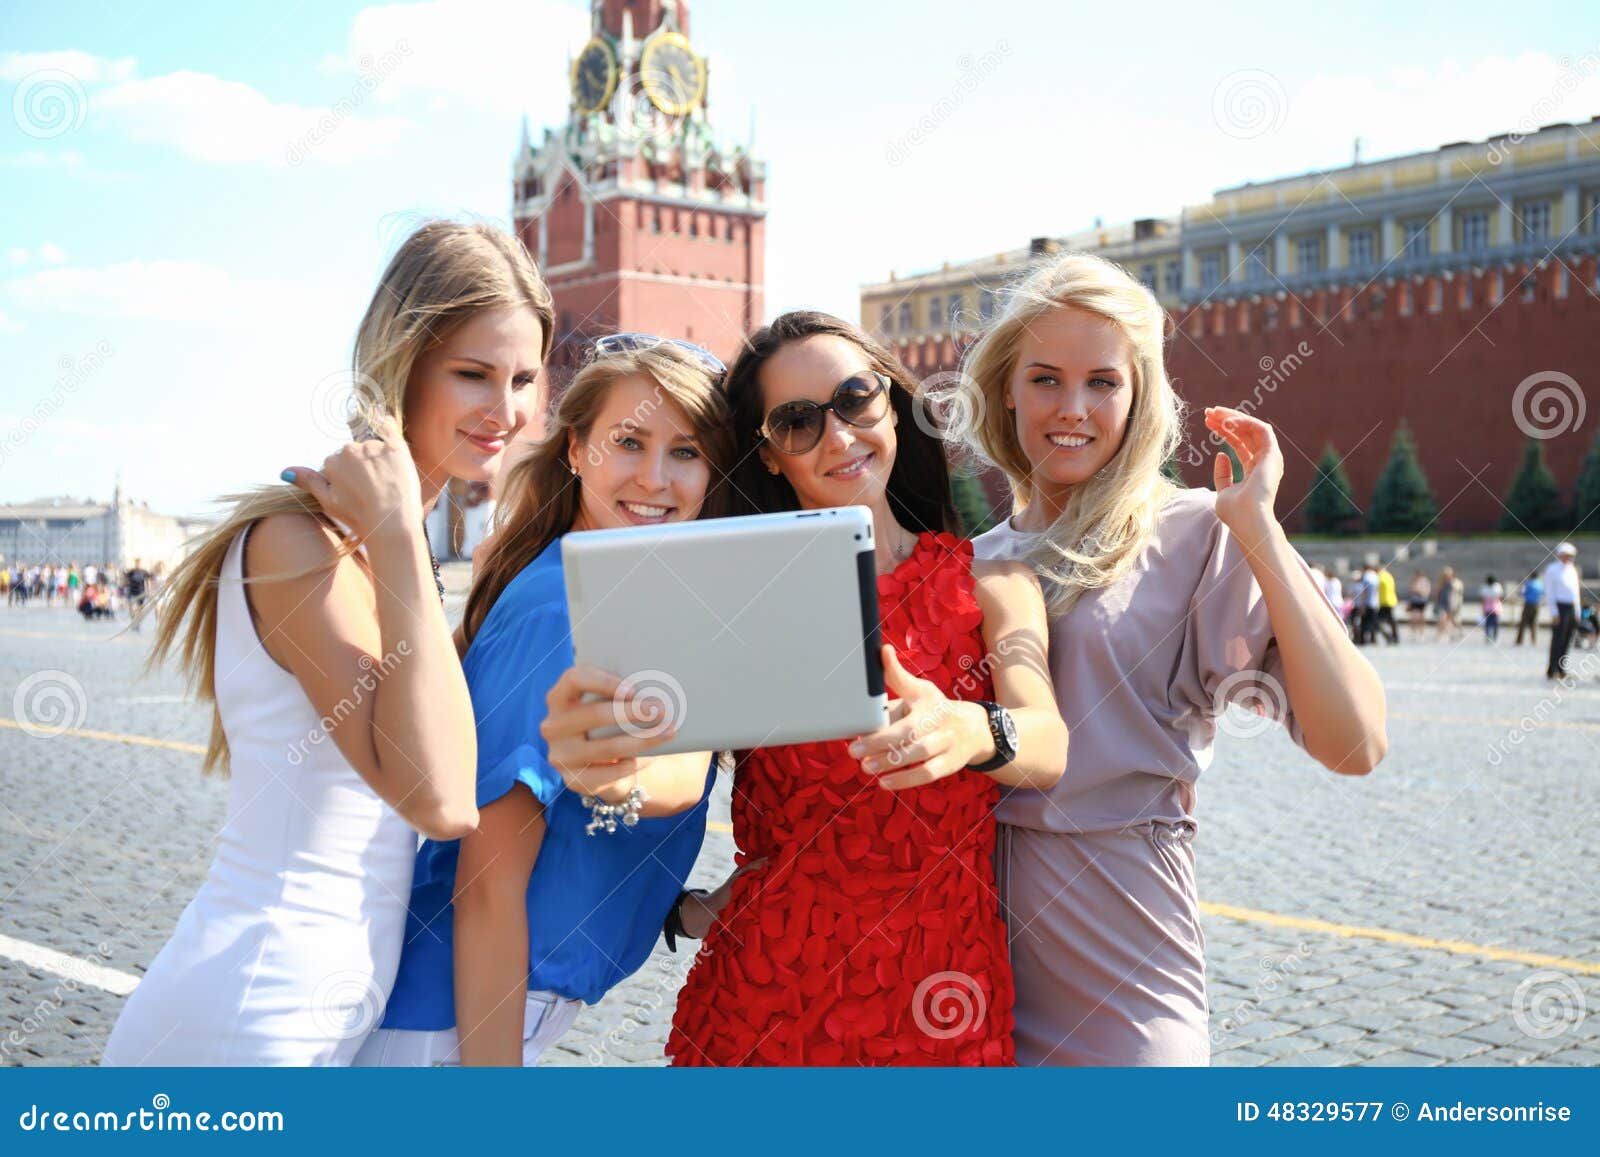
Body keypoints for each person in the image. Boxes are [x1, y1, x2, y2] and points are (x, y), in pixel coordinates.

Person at [101, 221, 550, 1066]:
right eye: (473, 374)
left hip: (321, 1019)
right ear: (404, 360)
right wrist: (396, 535)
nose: (507, 409)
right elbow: (443, 799)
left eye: (524, 377)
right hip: (251, 1017)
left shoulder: (381, 546)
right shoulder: (303, 543)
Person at [947, 251, 1386, 1065]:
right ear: (1005, 388)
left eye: (1102, 382)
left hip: (1125, 968)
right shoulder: (965, 562)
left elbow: (1355, 742)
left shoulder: (1193, 533)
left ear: (1140, 393)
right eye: (1044, 378)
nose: (1071, 408)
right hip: (963, 972)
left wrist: (1260, 533)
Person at [667, 311, 1070, 1067]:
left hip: (944, 997)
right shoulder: (738, 600)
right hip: (767, 1002)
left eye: (856, 397)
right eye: (797, 421)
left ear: (890, 403)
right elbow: (661, 770)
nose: (840, 435)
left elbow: (1046, 742)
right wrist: (681, 906)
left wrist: (969, 729)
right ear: (771, 455)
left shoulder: (994, 583)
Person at [357, 339, 737, 1067]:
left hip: (481, 1014)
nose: (655, 478)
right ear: (576, 451)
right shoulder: (564, 609)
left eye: (686, 451)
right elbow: (486, 882)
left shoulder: (623, 596)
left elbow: (579, 832)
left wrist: (680, 909)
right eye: (629, 442)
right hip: (455, 1025)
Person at [1545, 543, 1581, 679]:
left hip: (1571, 607)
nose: (1568, 558)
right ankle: (1552, 669)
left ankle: (1561, 669)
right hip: (1560, 607)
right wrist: (1554, 612)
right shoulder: (1552, 570)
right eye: (1566, 555)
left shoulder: (1572, 569)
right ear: (1560, 555)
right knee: (1557, 640)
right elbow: (1549, 592)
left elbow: (1575, 592)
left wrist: (1577, 612)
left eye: (1570, 556)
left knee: (1567, 640)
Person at [1435, 567, 1464, 642]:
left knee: (1454, 619)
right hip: (1443, 603)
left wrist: (1459, 604)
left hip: (1453, 603)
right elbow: (1438, 593)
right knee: (1442, 618)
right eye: (1445, 574)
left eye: (1448, 574)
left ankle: (1456, 632)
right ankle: (1442, 634)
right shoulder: (1442, 582)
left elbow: (1459, 594)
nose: (1447, 576)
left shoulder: (1456, 582)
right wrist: (1437, 602)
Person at [1515, 568, 1543, 646]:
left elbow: (1522, 593)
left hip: (1528, 605)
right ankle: (1534, 640)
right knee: (1534, 623)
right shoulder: (1540, 584)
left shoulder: (1528, 584)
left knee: (1523, 623)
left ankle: (1519, 641)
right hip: (1537, 605)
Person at [124, 558, 151, 632]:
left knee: (139, 609)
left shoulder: (144, 572)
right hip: (132, 592)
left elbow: (148, 581)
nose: (138, 564)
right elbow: (126, 579)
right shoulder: (131, 572)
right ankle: (133, 621)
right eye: (137, 563)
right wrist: (126, 586)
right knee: (132, 608)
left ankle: (138, 622)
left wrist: (148, 590)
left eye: (139, 563)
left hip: (141, 592)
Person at [1376, 564, 1399, 644]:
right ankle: (1395, 637)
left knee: (1379, 622)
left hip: (1384, 602)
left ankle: (1389, 637)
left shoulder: (1380, 577)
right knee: (1391, 620)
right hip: (1392, 601)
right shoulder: (1389, 576)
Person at [1406, 569, 1431, 641]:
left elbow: (1426, 591)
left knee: (1421, 618)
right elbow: (1411, 591)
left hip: (1422, 601)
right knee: (1413, 617)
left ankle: (1421, 633)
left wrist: (1418, 591)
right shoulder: (1414, 581)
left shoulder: (1425, 581)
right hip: (1414, 601)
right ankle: (1413, 633)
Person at [1479, 574, 1503, 643]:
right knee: (1495, 623)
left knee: (1488, 623)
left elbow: (1482, 598)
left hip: (1488, 607)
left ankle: (1488, 637)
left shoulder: (1485, 588)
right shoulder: (1497, 587)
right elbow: (1501, 596)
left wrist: (1483, 607)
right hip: (1496, 606)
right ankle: (1495, 637)